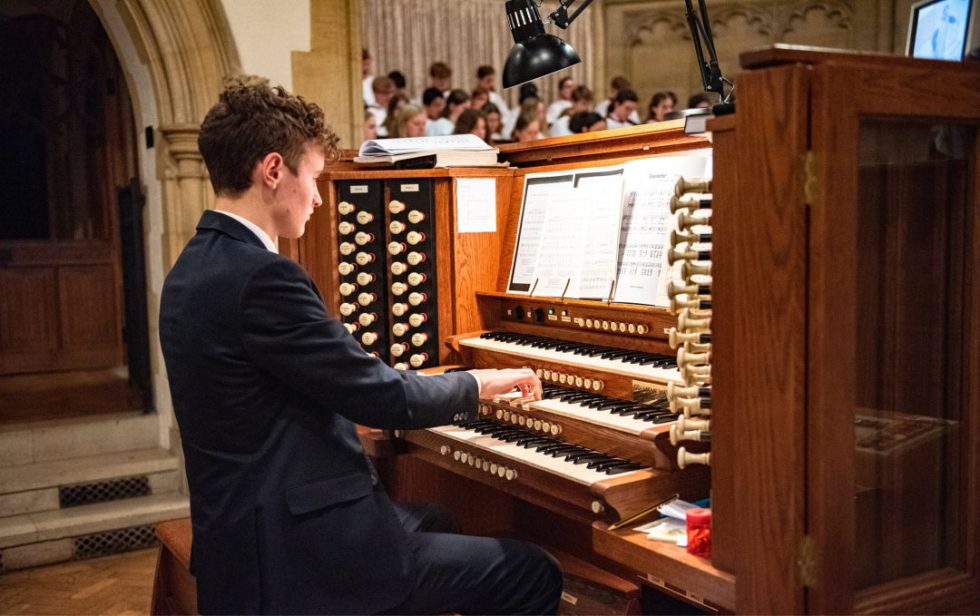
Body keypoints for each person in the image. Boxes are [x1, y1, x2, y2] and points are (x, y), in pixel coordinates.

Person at [160, 76, 562, 615]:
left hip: (243, 531)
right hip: (297, 554)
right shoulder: (262, 277)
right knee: (531, 573)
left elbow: (270, 387)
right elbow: (382, 398)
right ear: (273, 170)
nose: (321, 198)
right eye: (316, 178)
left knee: (439, 517)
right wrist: (479, 382)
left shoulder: (193, 267)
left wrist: (343, 371)